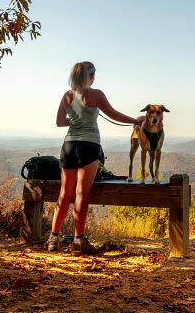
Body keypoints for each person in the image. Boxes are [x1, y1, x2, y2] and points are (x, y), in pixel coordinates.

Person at [48, 61, 144, 254]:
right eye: (93, 75)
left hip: (68, 146)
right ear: (90, 76)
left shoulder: (67, 96)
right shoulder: (97, 94)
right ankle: (78, 241)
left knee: (65, 194)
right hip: (89, 146)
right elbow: (114, 114)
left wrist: (75, 121)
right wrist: (135, 120)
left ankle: (53, 238)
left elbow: (59, 122)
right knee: (82, 193)